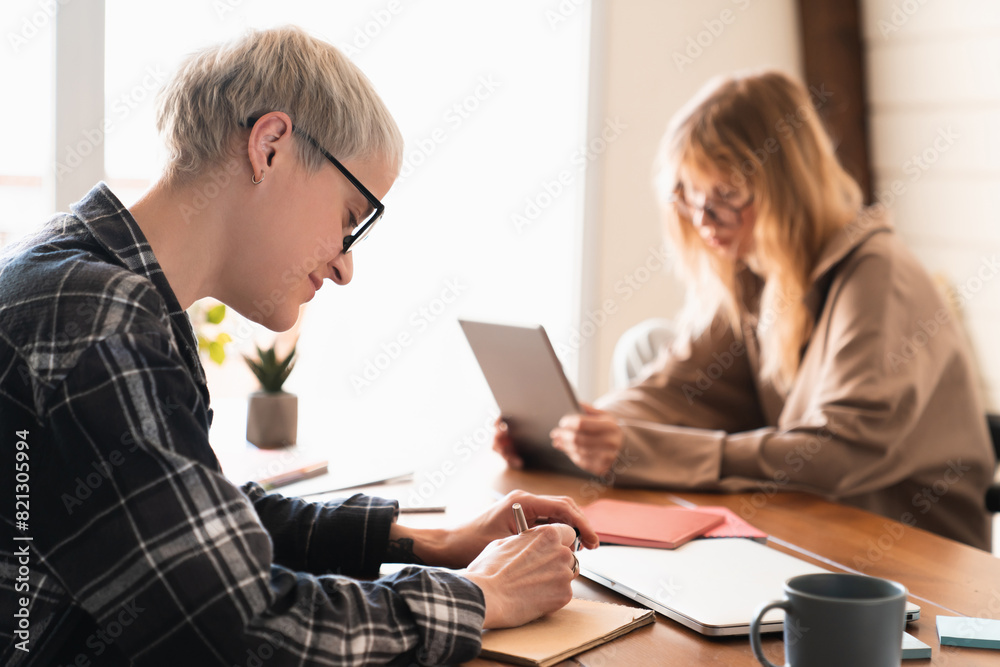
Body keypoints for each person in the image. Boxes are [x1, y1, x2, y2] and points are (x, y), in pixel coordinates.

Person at [0, 27, 598, 665]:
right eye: (349, 217)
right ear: (272, 146)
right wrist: (481, 594)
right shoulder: (98, 316)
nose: (345, 267)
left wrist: (430, 541)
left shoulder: (80, 274)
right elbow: (238, 628)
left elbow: (193, 520)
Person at [494, 70, 994, 551]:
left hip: (902, 543)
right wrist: (573, 433)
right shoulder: (756, 266)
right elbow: (679, 389)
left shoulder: (878, 278)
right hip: (815, 520)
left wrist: (633, 447)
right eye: (689, 197)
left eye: (725, 196)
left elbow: (835, 454)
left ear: (789, 186)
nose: (704, 221)